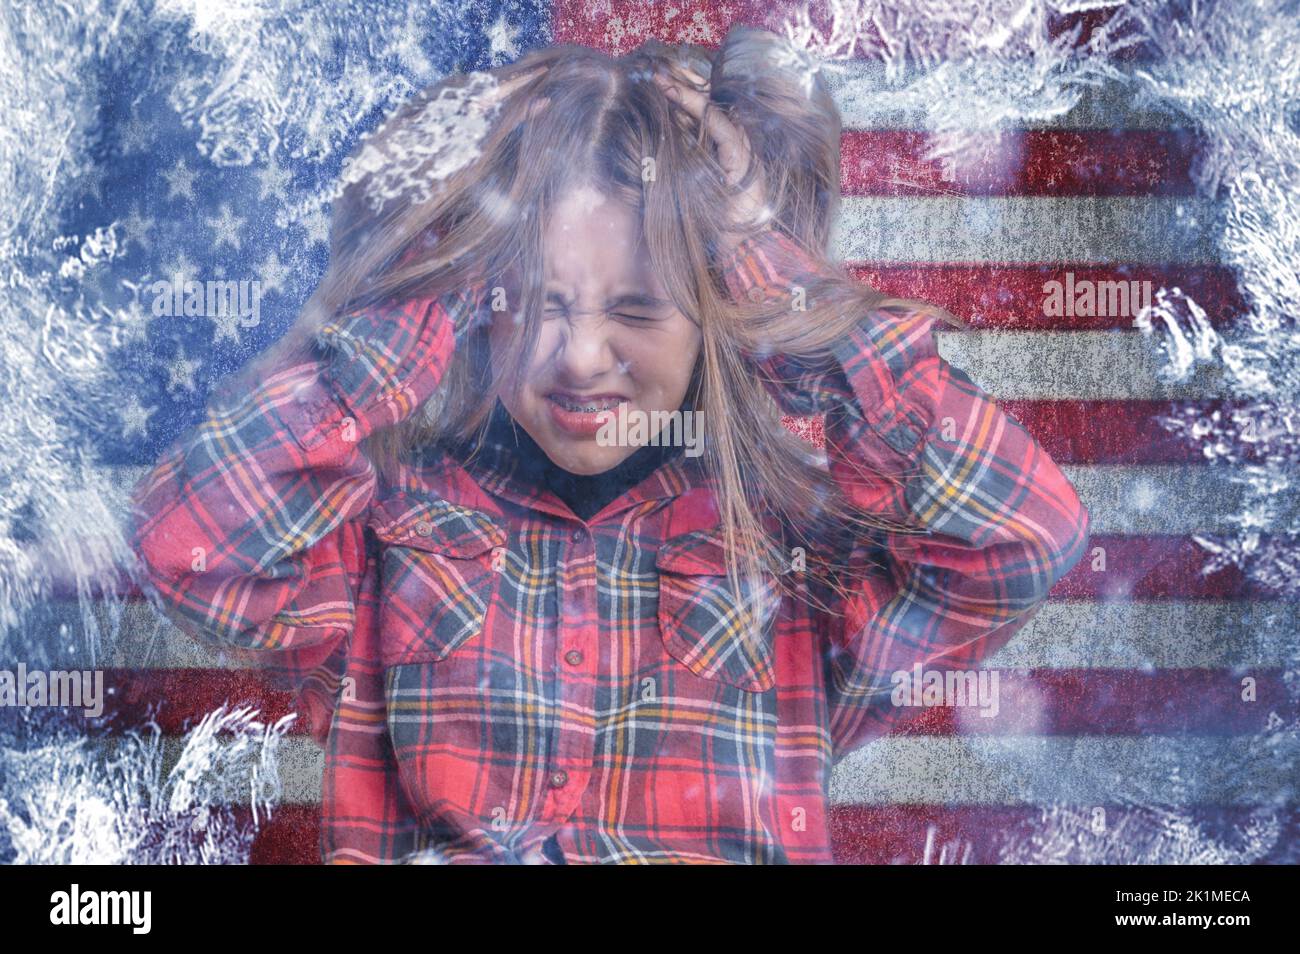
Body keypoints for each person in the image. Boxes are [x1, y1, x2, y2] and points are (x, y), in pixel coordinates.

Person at [128, 25, 1090, 864]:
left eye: (637, 307)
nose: (581, 359)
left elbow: (1022, 538)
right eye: (534, 305)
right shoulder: (384, 525)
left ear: (720, 313)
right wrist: (454, 240)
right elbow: (186, 546)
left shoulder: (798, 555)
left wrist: (741, 242)